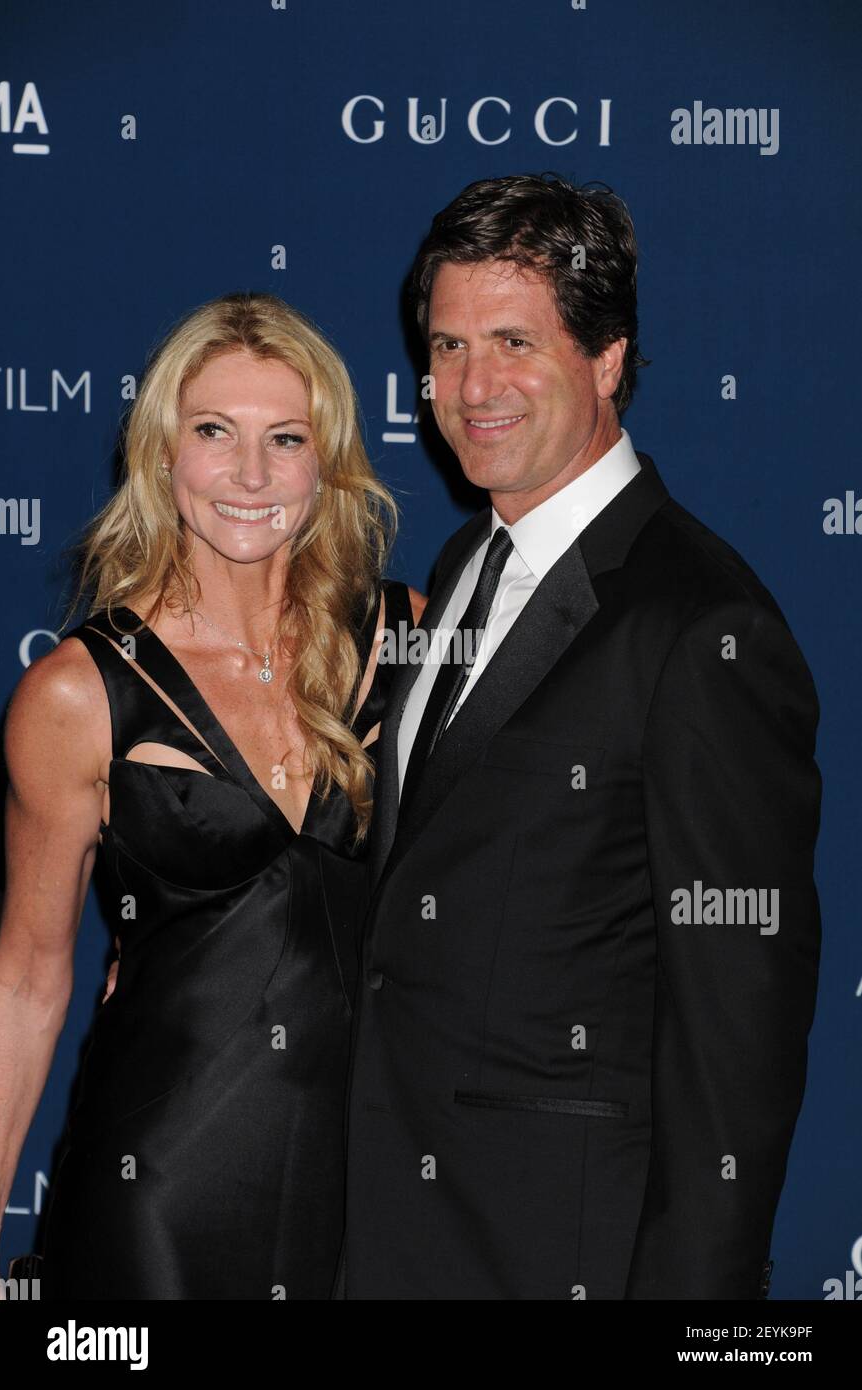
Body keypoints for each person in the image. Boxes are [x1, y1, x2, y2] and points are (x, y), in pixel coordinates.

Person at [337, 174, 822, 1300]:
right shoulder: (463, 566)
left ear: (608, 358)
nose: (471, 387)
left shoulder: (703, 624)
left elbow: (734, 1036)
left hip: (556, 1252)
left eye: (514, 340)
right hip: (391, 1235)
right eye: (448, 347)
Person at [0, 291, 423, 1299]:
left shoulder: (410, 638)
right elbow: (25, 983)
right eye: (213, 432)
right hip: (161, 1187)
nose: (249, 474)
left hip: (378, 1188)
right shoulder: (76, 692)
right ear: (161, 453)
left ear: (327, 460)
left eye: (285, 437)